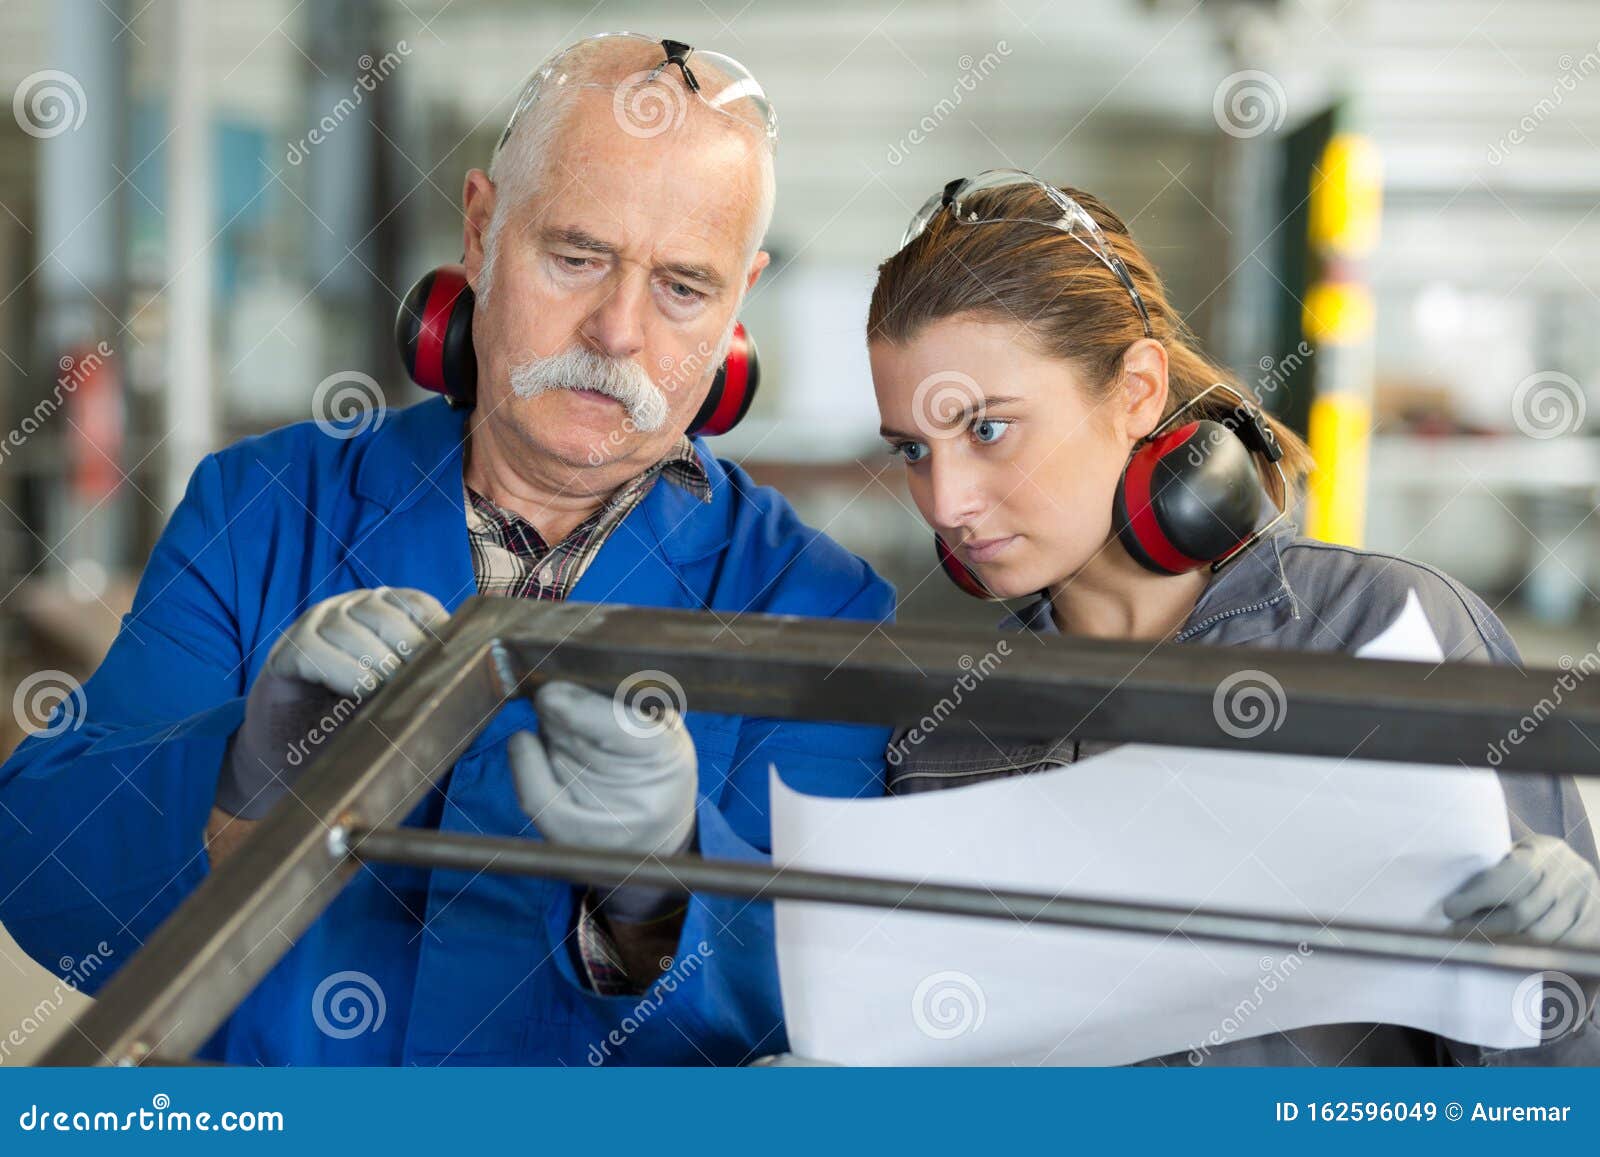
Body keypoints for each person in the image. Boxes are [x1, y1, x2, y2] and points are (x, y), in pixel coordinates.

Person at [0, 33, 893, 1066]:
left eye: (683, 289)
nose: (617, 329)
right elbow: (41, 874)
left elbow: (837, 989)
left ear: (740, 297)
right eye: (575, 255)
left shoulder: (819, 604)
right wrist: (238, 774)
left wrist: (661, 883)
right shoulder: (260, 507)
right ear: (479, 229)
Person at [861, 169, 1600, 1064]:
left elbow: (1556, 1096)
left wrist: (1569, 969)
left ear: (1136, 389)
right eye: (913, 448)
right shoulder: (950, 730)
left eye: (986, 430)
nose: (946, 502)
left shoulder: (1385, 633)